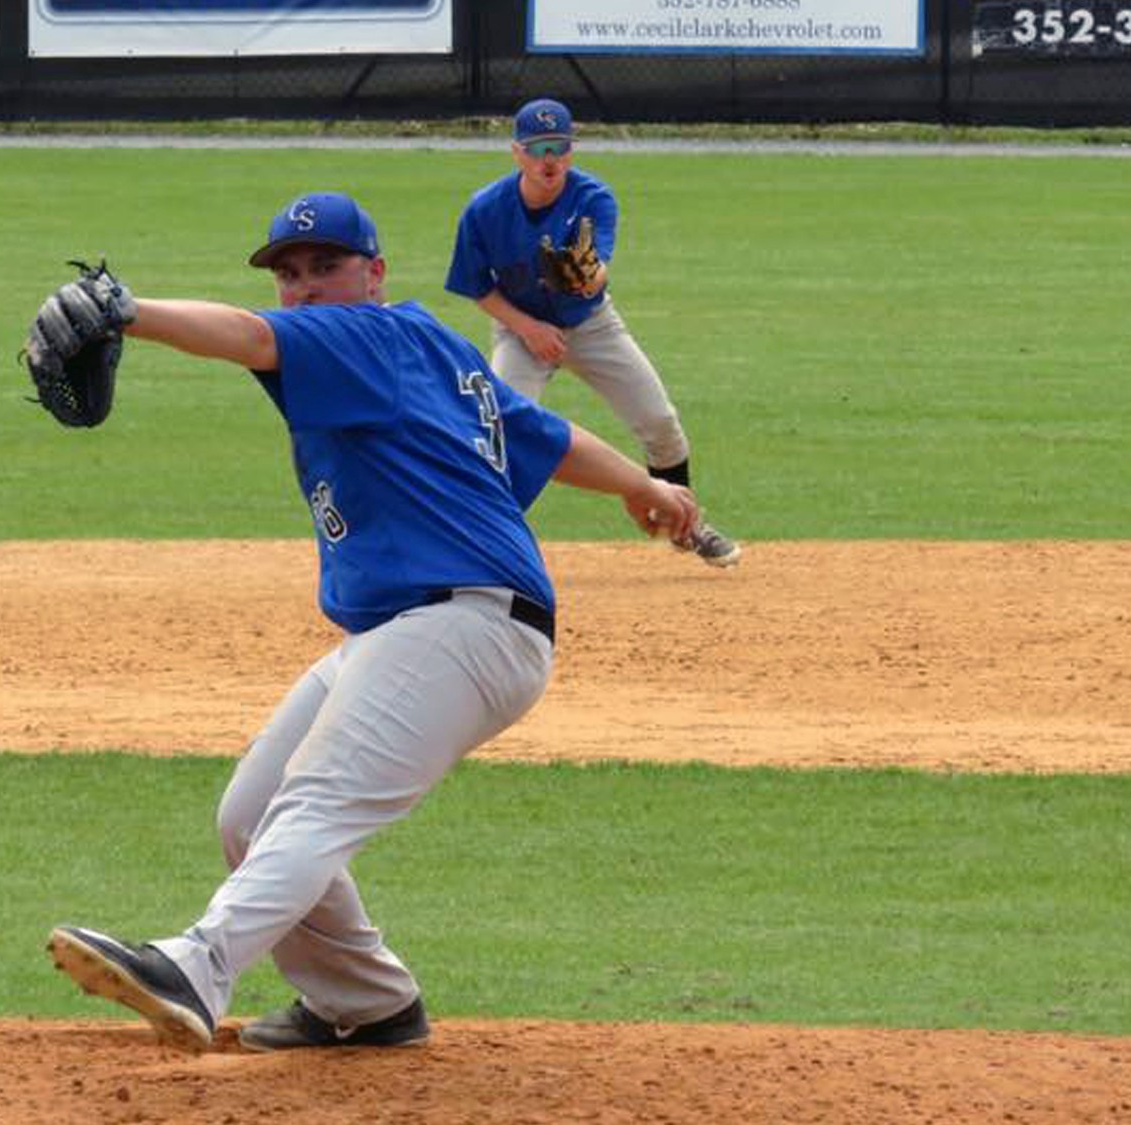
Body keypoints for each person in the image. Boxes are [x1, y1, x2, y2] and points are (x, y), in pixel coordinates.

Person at [46, 191, 702, 1053]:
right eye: (289, 273)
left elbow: (249, 337)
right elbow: (546, 433)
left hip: (464, 622)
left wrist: (129, 313)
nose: (306, 287)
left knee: (315, 804)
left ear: (375, 273)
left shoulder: (364, 334)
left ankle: (199, 965)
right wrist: (642, 485)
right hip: (421, 627)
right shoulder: (438, 349)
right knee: (251, 815)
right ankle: (367, 998)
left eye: (326, 266)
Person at [446, 97, 740, 567]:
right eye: (539, 148)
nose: (550, 160)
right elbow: (475, 286)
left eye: (559, 147)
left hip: (590, 324)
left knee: (660, 422)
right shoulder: (485, 210)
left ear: (572, 149)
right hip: (519, 330)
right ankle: (483, 545)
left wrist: (586, 277)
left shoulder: (593, 197)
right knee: (498, 431)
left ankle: (687, 525)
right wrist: (528, 328)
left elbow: (598, 271)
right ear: (517, 152)